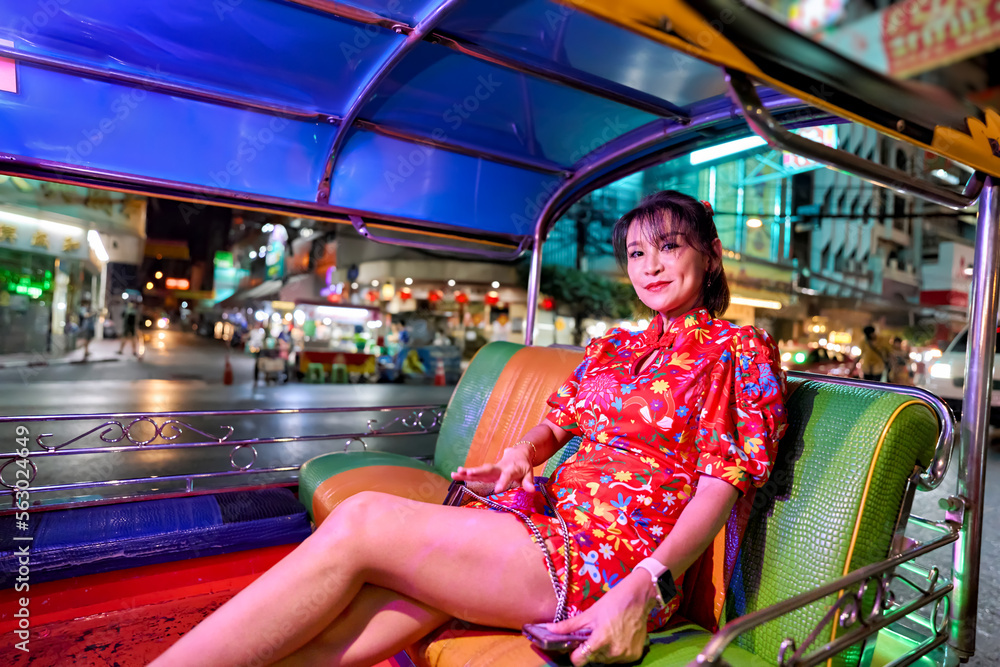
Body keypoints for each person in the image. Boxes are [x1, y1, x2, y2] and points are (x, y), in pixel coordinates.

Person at [150, 191, 787, 667]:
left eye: (669, 246)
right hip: (544, 519)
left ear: (710, 253)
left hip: (612, 557)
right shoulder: (614, 347)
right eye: (636, 253)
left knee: (365, 520)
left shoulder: (739, 350)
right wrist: (519, 454)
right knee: (400, 603)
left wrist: (645, 589)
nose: (649, 267)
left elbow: (719, 487)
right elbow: (556, 423)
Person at [78, 297, 95, 361]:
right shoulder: (83, 308)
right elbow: (85, 315)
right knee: (86, 338)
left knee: (89, 338)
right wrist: (92, 313)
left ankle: (86, 351)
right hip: (86, 326)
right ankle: (85, 351)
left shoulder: (88, 308)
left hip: (90, 326)